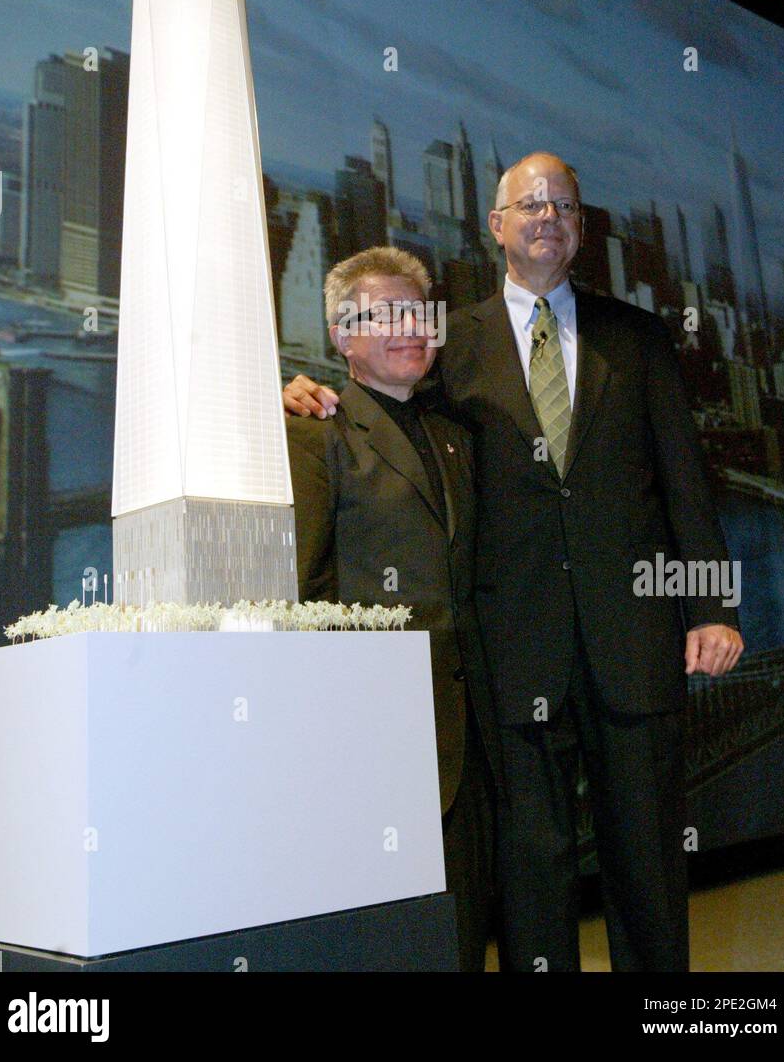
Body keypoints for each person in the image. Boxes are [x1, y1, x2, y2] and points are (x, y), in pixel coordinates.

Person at [284, 153, 744, 973]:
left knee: (647, 865)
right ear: (494, 226)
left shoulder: (635, 338)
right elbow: (379, 417)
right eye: (527, 204)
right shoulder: (446, 342)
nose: (546, 216)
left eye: (562, 204)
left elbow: (685, 482)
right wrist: (304, 390)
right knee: (530, 873)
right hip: (509, 654)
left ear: (580, 227)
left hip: (632, 648)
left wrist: (710, 607)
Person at [285, 246, 502, 972]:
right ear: (343, 337)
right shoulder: (315, 431)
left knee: (462, 937)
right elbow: (304, 592)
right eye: (384, 315)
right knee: (389, 946)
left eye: (418, 312)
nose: (410, 327)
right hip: (371, 742)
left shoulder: (455, 434)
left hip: (469, 741)